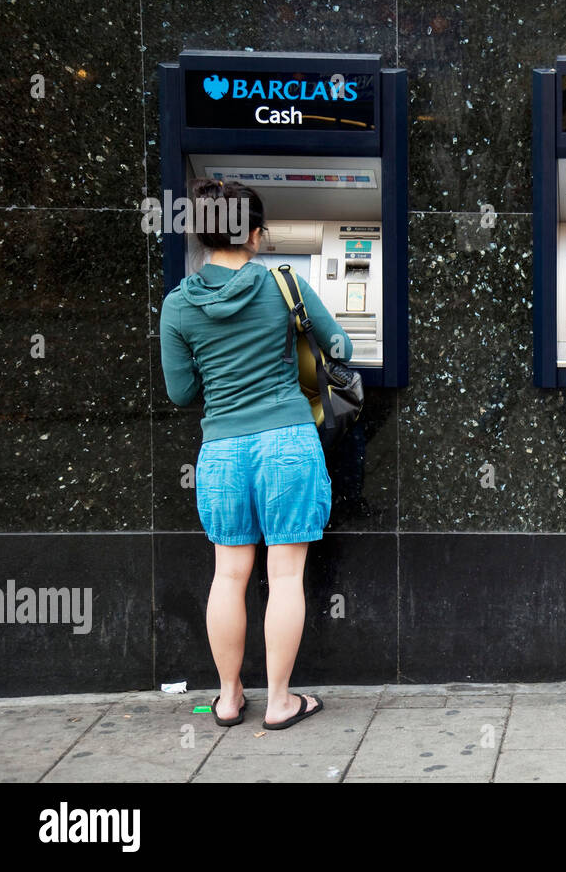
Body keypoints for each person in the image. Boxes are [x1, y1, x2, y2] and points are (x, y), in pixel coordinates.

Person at [160, 178, 351, 730]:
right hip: (287, 442)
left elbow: (180, 393)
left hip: (220, 451)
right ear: (252, 233)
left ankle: (226, 697)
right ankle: (282, 702)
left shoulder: (177, 304)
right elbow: (342, 348)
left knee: (229, 574)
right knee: (286, 577)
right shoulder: (284, 285)